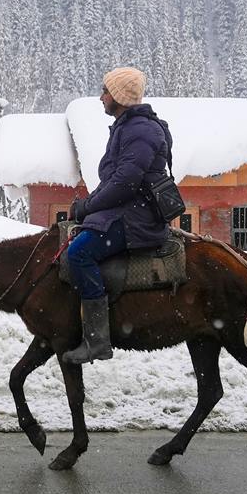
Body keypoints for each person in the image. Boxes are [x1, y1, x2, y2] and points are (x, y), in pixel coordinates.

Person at [64, 67, 174, 364]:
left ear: (121, 98)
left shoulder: (139, 130)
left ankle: (97, 341)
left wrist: (87, 207)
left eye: (106, 92)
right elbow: (117, 182)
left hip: (136, 220)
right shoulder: (130, 126)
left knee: (78, 254)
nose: (101, 97)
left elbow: (124, 185)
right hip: (127, 212)